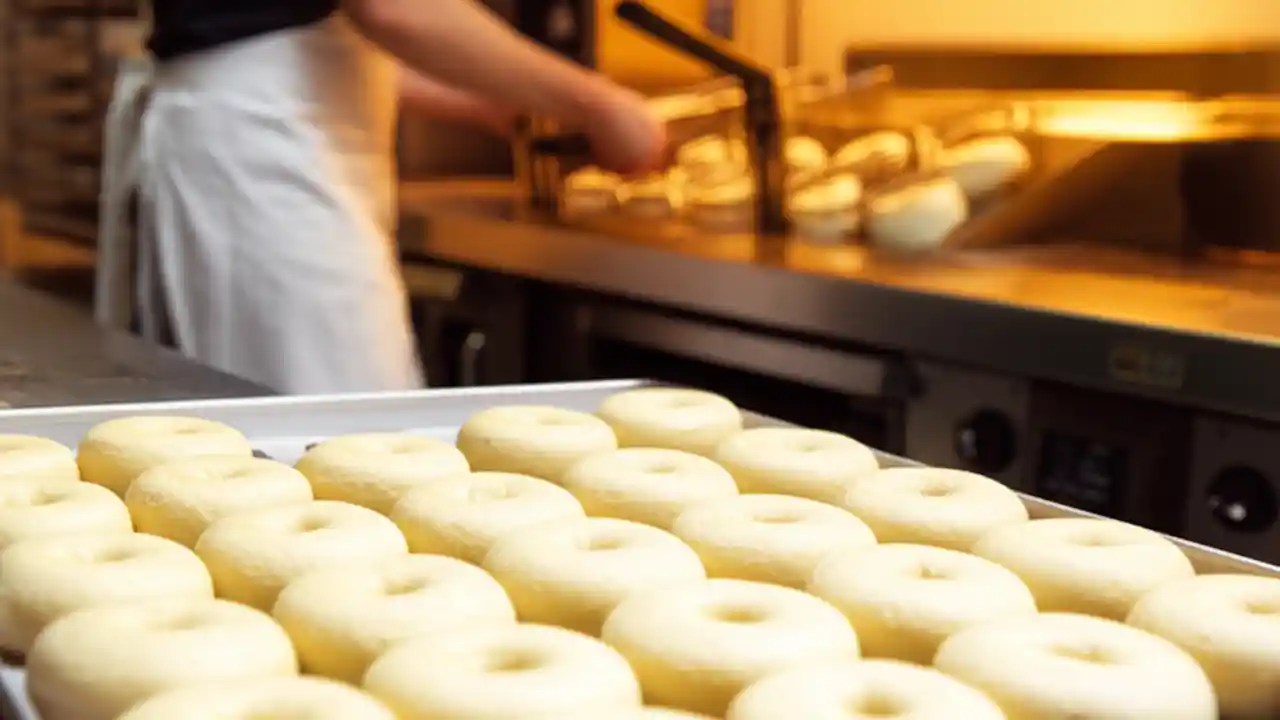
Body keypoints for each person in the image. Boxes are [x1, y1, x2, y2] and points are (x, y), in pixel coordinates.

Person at [97, 0, 666, 393]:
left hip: (250, 138)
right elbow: (395, 9)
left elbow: (299, 30)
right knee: (345, 447)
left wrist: (489, 96)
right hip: (264, 155)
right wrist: (601, 105)